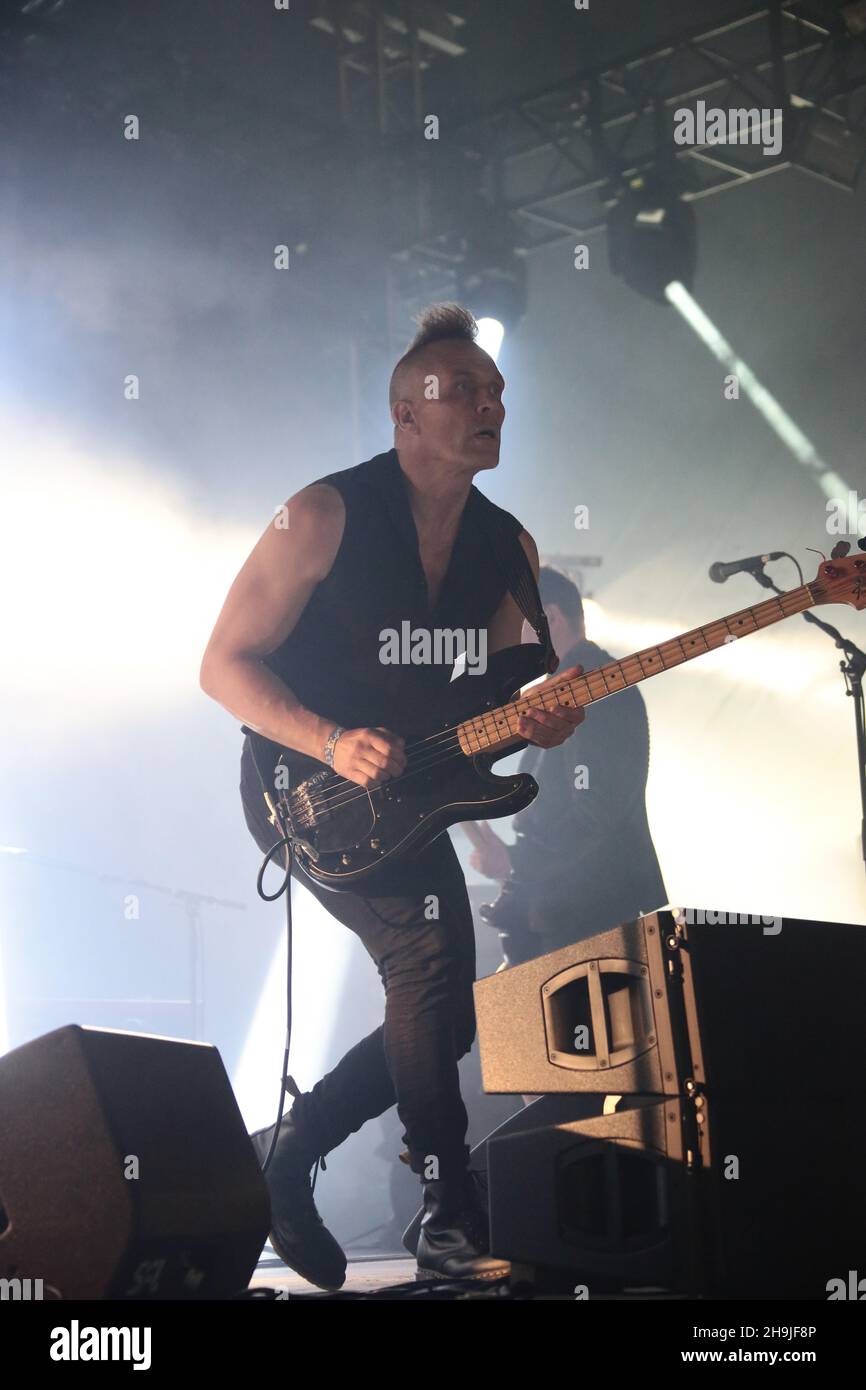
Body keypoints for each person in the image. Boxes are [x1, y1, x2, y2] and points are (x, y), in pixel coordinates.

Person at [199, 304, 585, 1288]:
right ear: (405, 413)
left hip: (418, 799)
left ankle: (291, 1145)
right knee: (424, 958)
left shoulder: (510, 546)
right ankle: (446, 1204)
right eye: (461, 390)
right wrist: (328, 737)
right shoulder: (322, 513)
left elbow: (510, 692)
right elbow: (221, 665)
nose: (488, 403)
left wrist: (541, 712)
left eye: (495, 391)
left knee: (447, 1008)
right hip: (304, 789)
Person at [468, 566, 667, 967]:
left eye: (512, 627)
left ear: (552, 619)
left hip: (587, 915)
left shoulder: (597, 686)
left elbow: (597, 812)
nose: (505, 642)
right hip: (563, 909)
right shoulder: (565, 688)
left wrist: (515, 862)